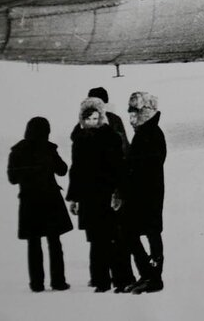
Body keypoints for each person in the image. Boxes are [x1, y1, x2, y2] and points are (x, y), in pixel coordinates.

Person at [8, 116, 73, 292]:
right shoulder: (48, 149)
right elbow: (62, 169)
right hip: (50, 199)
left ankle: (36, 284)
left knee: (33, 244)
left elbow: (12, 179)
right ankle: (58, 281)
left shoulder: (17, 151)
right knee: (54, 242)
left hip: (29, 202)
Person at [67, 98, 125, 292]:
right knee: (96, 240)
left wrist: (117, 192)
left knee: (112, 238)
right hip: (88, 197)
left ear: (101, 117)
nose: (92, 121)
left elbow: (118, 167)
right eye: (88, 118)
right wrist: (74, 197)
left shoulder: (111, 137)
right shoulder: (79, 140)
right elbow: (75, 170)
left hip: (106, 195)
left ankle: (119, 279)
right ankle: (101, 281)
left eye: (95, 117)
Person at [122, 92, 167, 294]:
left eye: (135, 114)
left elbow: (146, 165)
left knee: (147, 233)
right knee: (139, 233)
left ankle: (153, 277)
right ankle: (148, 274)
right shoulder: (144, 133)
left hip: (147, 193)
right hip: (143, 193)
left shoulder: (151, 134)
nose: (131, 119)